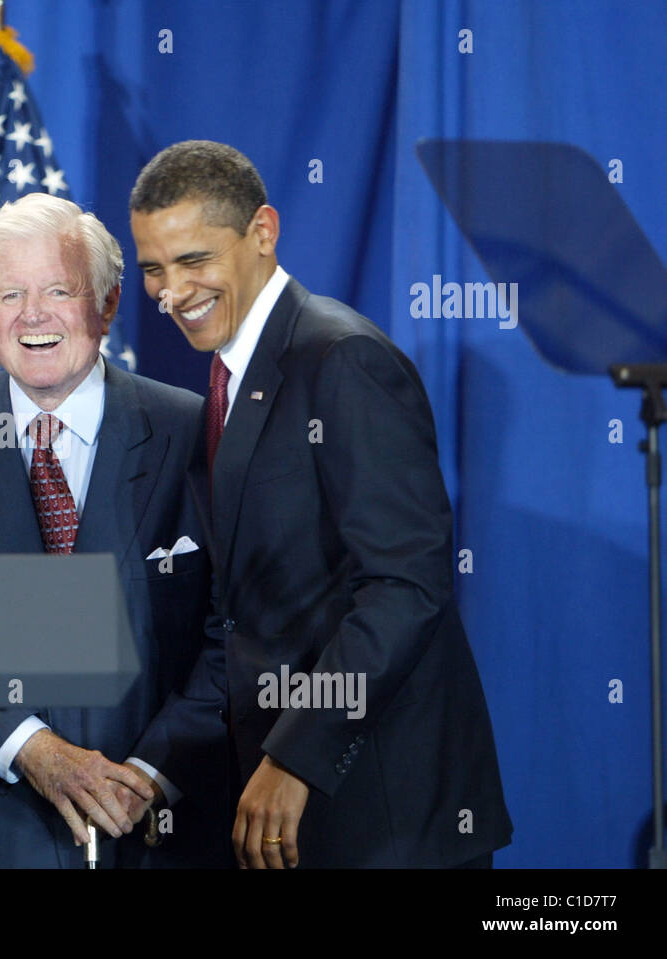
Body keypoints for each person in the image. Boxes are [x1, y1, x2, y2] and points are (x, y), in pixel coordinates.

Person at [125, 140, 513, 868]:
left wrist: (297, 755)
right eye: (153, 268)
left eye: (194, 261)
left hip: (383, 816)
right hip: (296, 816)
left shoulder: (342, 359)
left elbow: (405, 587)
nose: (171, 291)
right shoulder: (231, 377)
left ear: (263, 233)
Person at [0, 192, 227, 868]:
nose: (32, 315)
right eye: (9, 294)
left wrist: (151, 773)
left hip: (161, 831)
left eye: (58, 290)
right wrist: (29, 748)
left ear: (106, 302)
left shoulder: (195, 433)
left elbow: (238, 629)